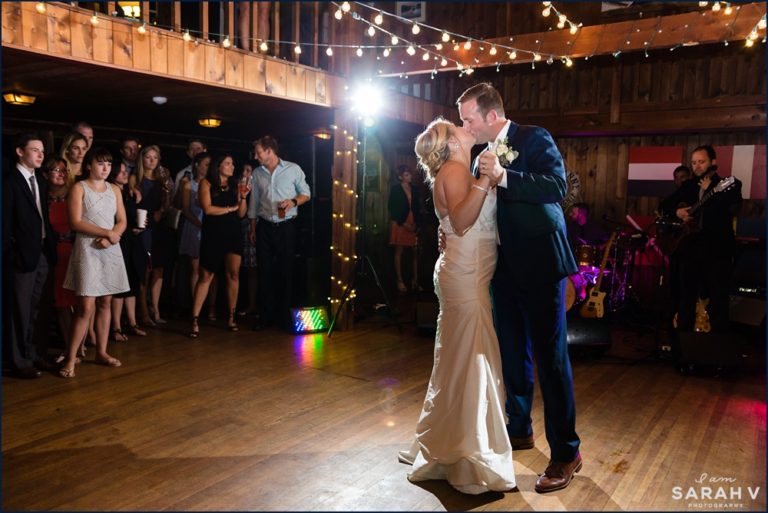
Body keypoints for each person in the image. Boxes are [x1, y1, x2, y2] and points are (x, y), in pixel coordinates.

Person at [458, 82, 581, 493]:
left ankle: (566, 453)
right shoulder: (479, 154)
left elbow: (555, 187)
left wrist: (505, 175)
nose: (466, 126)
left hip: (542, 264)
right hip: (503, 268)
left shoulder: (533, 137)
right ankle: (520, 428)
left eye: (469, 119)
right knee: (512, 353)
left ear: (491, 116)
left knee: (551, 359)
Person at [399, 118, 515, 495]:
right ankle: (466, 451)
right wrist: (486, 181)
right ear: (450, 144)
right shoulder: (454, 168)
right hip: (465, 276)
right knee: (469, 355)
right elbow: (463, 221)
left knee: (462, 355)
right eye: (457, 126)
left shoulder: (457, 169)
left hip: (467, 272)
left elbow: (455, 218)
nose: (465, 127)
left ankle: (457, 439)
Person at [59, 147, 130, 378]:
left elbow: (122, 220)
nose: (105, 168)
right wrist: (106, 233)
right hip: (87, 249)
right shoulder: (79, 188)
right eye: (101, 163)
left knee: (105, 303)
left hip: (109, 248)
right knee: (85, 307)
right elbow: (75, 222)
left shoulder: (115, 190)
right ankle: (71, 358)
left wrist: (113, 237)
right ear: (89, 165)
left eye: (109, 164)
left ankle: (101, 351)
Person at [660, 145, 742, 333]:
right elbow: (664, 206)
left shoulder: (729, 184)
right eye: (694, 162)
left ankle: (717, 351)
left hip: (717, 250)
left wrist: (710, 190)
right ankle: (684, 350)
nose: (697, 166)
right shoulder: (688, 186)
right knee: (686, 299)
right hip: (690, 249)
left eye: (701, 162)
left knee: (718, 300)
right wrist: (677, 212)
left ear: (713, 162)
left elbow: (732, 206)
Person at [3, 133, 58, 379]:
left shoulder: (41, 182)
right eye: (35, 150)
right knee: (19, 310)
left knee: (38, 309)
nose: (40, 155)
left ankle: (35, 354)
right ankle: (18, 360)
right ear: (19, 151)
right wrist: (12, 253)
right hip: (21, 256)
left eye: (43, 151)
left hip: (43, 252)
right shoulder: (9, 181)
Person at [247, 136, 311, 331]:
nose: (256, 157)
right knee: (264, 271)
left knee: (285, 271)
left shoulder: (293, 169)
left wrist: (293, 202)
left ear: (269, 151)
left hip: (286, 226)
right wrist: (252, 226)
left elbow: (306, 193)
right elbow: (254, 201)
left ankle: (284, 318)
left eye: (258, 153)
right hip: (264, 226)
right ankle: (265, 316)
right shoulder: (257, 173)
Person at [189, 154, 249, 337]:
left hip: (233, 233)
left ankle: (231, 317)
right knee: (206, 276)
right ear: (219, 166)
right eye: (228, 163)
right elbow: (207, 209)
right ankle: (195, 318)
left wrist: (244, 198)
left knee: (233, 274)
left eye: (232, 163)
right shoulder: (206, 184)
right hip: (213, 234)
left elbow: (241, 214)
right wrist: (230, 208)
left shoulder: (236, 184)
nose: (232, 166)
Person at [108, 160, 148, 341]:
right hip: (120, 242)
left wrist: (141, 225)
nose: (125, 174)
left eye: (126, 171)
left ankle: (132, 323)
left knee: (132, 282)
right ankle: (116, 327)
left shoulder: (130, 193)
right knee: (119, 285)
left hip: (134, 242)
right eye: (121, 171)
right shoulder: (110, 192)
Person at [178, 152, 218, 321]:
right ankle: (196, 309)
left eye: (210, 165)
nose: (208, 167)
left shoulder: (213, 185)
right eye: (205, 164)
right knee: (195, 269)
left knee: (212, 269)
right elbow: (186, 210)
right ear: (197, 165)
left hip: (211, 227)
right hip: (195, 225)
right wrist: (201, 224)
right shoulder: (189, 184)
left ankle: (212, 307)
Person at [388, 165, 422, 293]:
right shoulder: (396, 189)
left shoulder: (414, 189)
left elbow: (418, 207)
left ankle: (415, 280)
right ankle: (400, 280)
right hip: (400, 222)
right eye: (407, 175)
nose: (410, 176)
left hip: (412, 221)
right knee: (399, 250)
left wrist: (416, 224)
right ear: (400, 176)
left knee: (415, 251)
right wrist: (403, 223)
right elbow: (392, 208)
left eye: (410, 174)